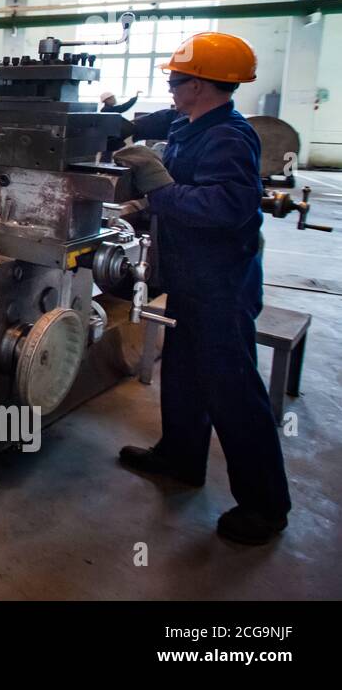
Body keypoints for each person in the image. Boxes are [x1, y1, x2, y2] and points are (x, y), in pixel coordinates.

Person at [110, 33, 290, 546]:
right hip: (190, 277)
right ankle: (181, 457)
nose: (169, 84)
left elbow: (227, 208)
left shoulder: (229, 136)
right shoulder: (191, 125)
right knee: (186, 371)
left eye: (176, 78)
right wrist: (142, 207)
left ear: (201, 85)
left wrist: (159, 189)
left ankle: (265, 506)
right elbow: (180, 187)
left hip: (220, 284)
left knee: (232, 389)